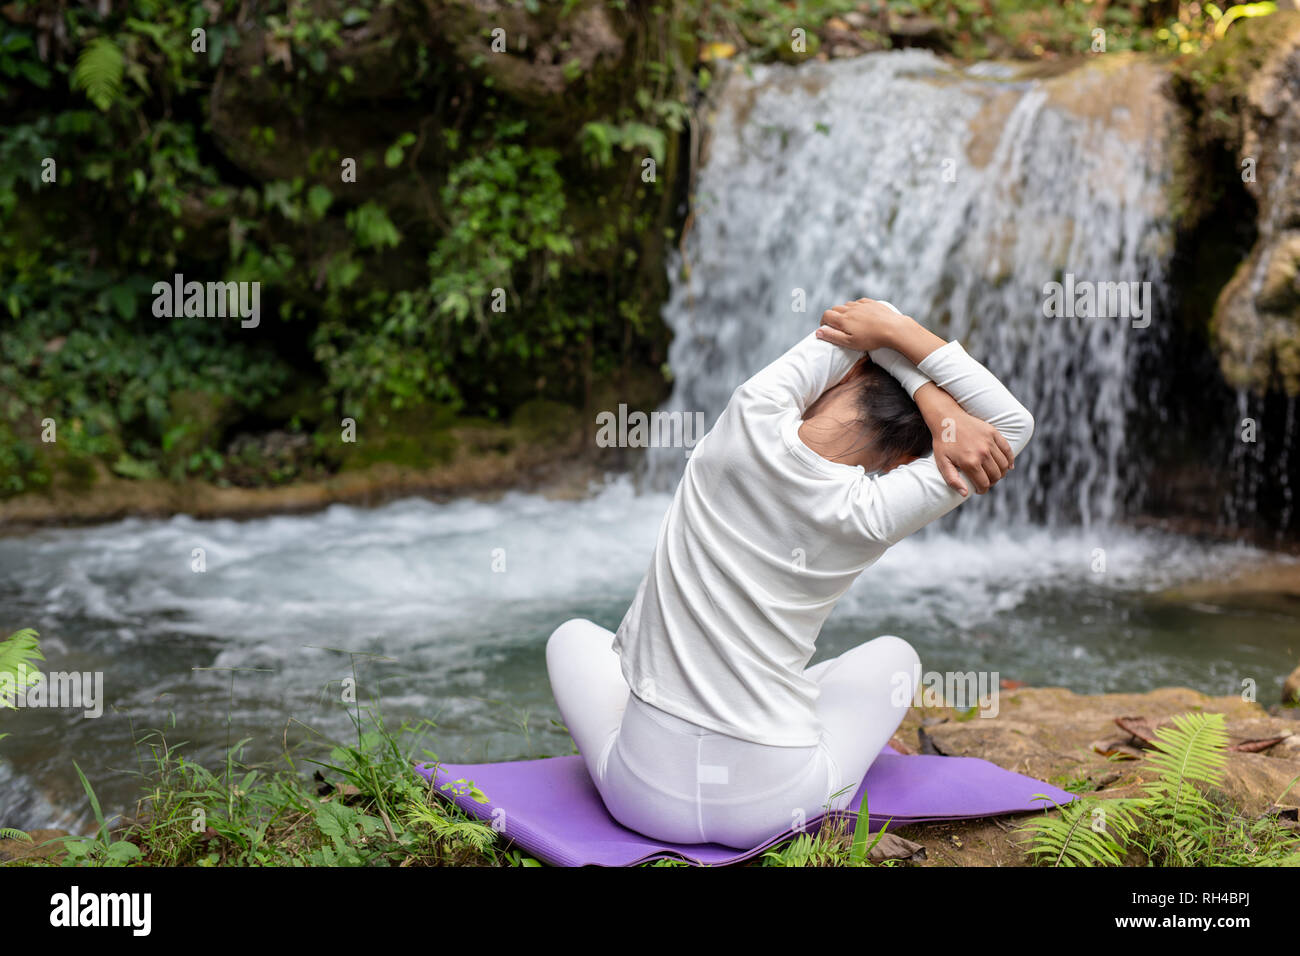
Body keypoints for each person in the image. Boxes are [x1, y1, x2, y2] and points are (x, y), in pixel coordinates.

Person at [546, 298, 1034, 848]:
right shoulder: (871, 514)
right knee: (896, 657)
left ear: (840, 380)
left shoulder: (746, 418)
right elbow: (1012, 424)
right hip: (776, 805)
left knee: (571, 637)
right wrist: (940, 408)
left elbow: (861, 321)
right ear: (903, 463)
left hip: (640, 799)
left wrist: (890, 337)